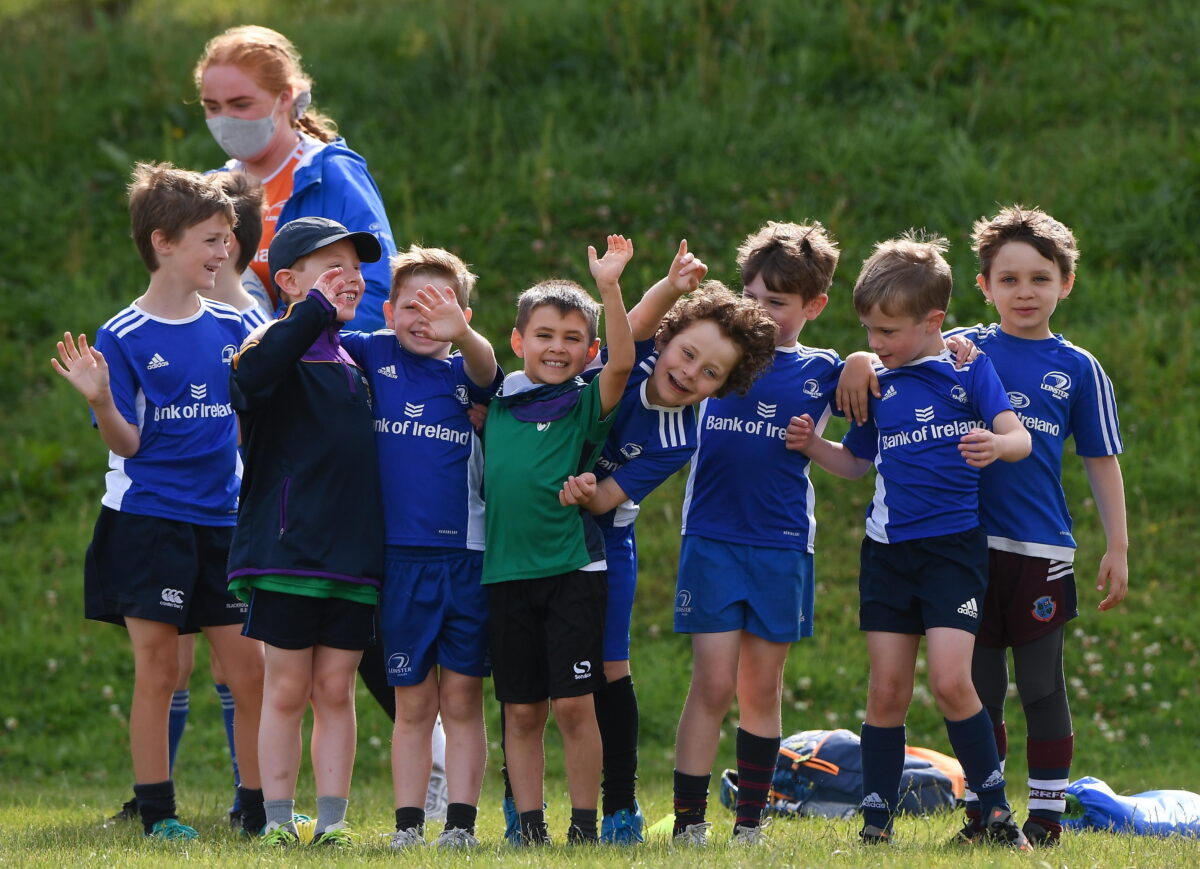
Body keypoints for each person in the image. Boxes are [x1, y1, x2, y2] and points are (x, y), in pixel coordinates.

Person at [784, 231, 1034, 849]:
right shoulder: (874, 384)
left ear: (933, 321)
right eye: (868, 333)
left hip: (953, 550)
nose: (875, 344)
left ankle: (997, 814)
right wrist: (815, 446)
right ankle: (876, 824)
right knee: (886, 690)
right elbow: (854, 465)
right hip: (888, 554)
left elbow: (1019, 437)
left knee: (953, 682)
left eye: (887, 334)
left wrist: (996, 445)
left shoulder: (969, 370)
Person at [51, 162, 264, 840]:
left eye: (227, 237)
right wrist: (101, 399)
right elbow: (131, 443)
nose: (224, 251)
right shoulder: (124, 335)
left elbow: (247, 421)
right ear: (163, 241)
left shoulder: (236, 325)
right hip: (149, 523)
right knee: (163, 668)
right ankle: (159, 812)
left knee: (249, 668)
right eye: (210, 238)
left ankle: (259, 807)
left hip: (225, 523)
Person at [555, 243, 778, 844]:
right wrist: (671, 286)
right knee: (529, 670)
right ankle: (520, 805)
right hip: (532, 531)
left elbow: (605, 501)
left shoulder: (680, 436)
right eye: (686, 354)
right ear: (667, 341)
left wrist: (584, 489)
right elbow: (636, 323)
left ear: (724, 387)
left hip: (602, 542)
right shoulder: (628, 361)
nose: (689, 374)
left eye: (711, 373)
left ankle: (621, 806)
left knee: (608, 668)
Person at [946, 207, 1127, 845]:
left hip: (1041, 548)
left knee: (1042, 684)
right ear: (985, 286)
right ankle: (987, 814)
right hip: (966, 546)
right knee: (980, 685)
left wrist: (1118, 546)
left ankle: (1046, 817)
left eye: (1041, 279)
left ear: (1065, 284)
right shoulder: (961, 350)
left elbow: (1100, 461)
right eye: (1010, 278)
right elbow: (896, 362)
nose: (1025, 291)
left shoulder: (1079, 368)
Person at [668, 221, 840, 846]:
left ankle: (750, 823)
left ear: (814, 306)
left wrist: (870, 359)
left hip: (782, 545)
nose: (763, 312)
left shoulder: (826, 370)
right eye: (754, 297)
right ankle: (689, 823)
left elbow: (885, 392)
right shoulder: (714, 355)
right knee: (712, 683)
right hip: (711, 539)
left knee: (759, 686)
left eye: (780, 303)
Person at [226, 215, 384, 846]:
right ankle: (274, 820)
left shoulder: (355, 358)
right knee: (286, 688)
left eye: (356, 267)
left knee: (335, 690)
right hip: (286, 553)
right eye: (332, 267)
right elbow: (252, 381)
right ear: (289, 281)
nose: (350, 278)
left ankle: (333, 823)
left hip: (353, 559)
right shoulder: (271, 344)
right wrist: (311, 312)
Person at [339, 245, 502, 849]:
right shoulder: (371, 351)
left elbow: (487, 367)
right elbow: (312, 346)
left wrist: (468, 337)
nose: (423, 318)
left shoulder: (470, 370)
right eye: (411, 305)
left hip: (465, 557)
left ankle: (459, 826)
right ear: (388, 310)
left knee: (461, 698)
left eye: (441, 308)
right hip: (396, 561)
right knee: (412, 704)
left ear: (462, 316)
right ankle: (408, 827)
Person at [482, 235, 635, 845]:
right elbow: (469, 356)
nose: (557, 348)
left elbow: (623, 364)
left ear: (588, 350)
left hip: (574, 572)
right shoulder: (492, 403)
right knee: (521, 711)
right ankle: (527, 826)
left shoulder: (583, 403)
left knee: (574, 705)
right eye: (544, 335)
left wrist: (610, 288)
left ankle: (583, 827)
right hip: (504, 576)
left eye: (573, 339)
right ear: (519, 341)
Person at [195, 24, 395, 329]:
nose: (226, 119)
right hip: (235, 367)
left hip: (317, 365)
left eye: (241, 104)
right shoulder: (211, 190)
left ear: (285, 97)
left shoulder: (331, 173)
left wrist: (307, 359)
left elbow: (377, 289)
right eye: (213, 107)